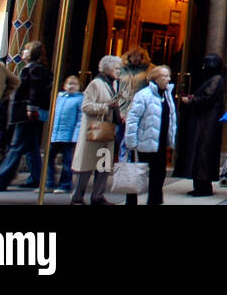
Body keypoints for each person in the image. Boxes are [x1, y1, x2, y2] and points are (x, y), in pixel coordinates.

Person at [0, 40, 50, 191]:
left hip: (26, 114)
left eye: (26, 50)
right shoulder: (33, 68)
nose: (23, 52)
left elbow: (34, 90)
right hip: (26, 113)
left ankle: (1, 179)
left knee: (16, 146)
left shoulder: (34, 69)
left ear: (32, 54)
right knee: (32, 147)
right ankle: (37, 177)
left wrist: (31, 107)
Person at [71, 54, 123, 205]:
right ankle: (77, 197)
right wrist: (106, 107)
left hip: (107, 130)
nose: (119, 72)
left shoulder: (113, 84)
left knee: (104, 165)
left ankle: (98, 196)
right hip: (93, 131)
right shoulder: (96, 84)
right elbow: (86, 106)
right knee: (86, 166)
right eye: (116, 68)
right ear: (107, 69)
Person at [123, 65, 177, 205]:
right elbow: (133, 119)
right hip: (143, 142)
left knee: (159, 175)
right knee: (137, 173)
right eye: (164, 76)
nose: (168, 79)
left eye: (168, 76)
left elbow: (170, 118)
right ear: (156, 78)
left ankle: (155, 201)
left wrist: (170, 138)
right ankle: (131, 202)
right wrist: (131, 141)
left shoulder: (167, 95)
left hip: (159, 142)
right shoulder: (143, 95)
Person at [174, 53, 226, 197]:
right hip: (203, 122)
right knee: (199, 153)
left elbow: (208, 98)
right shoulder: (213, 79)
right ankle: (200, 185)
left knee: (203, 153)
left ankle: (203, 186)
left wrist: (191, 101)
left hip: (207, 124)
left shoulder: (216, 79)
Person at [116, 47, 151, 205]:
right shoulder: (121, 70)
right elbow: (117, 89)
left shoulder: (149, 70)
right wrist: (119, 110)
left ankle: (134, 172)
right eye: (133, 56)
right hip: (123, 108)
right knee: (122, 141)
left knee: (134, 143)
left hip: (139, 110)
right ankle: (124, 169)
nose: (136, 58)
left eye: (139, 56)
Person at [46, 74, 82, 193]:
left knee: (67, 161)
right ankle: (48, 182)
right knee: (48, 158)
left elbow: (79, 118)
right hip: (55, 135)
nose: (71, 86)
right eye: (69, 84)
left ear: (78, 86)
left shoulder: (79, 99)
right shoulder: (59, 98)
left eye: (74, 84)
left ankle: (65, 184)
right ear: (64, 86)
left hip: (68, 135)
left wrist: (76, 135)